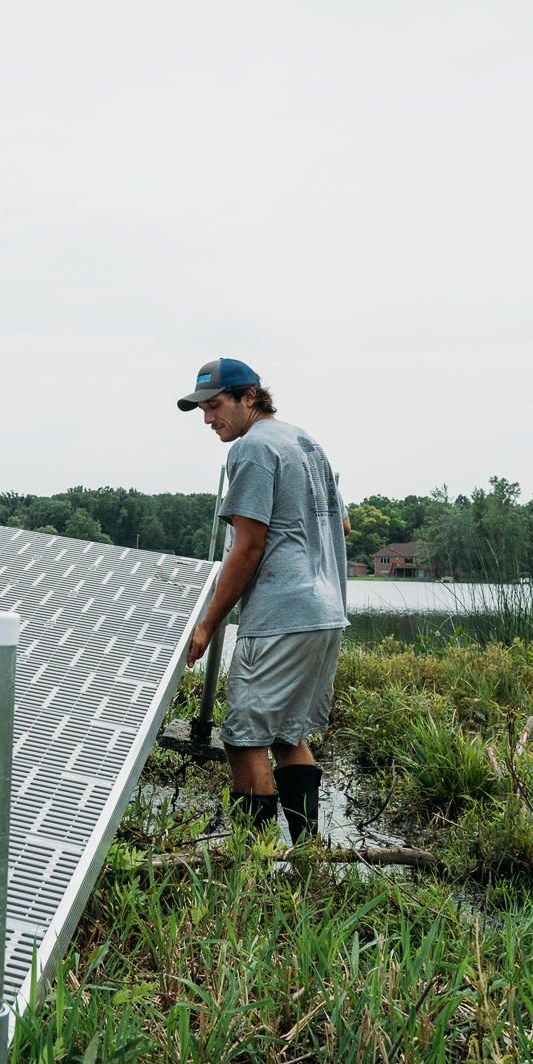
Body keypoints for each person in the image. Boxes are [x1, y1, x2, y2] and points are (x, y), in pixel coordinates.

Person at [179, 358, 350, 841]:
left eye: (215, 406)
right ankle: (309, 858)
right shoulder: (306, 442)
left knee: (243, 739)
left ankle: (248, 869)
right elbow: (342, 525)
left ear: (249, 396)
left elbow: (248, 547)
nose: (209, 419)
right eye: (202, 410)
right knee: (286, 734)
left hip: (281, 615)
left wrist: (209, 624)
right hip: (325, 613)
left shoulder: (252, 449)